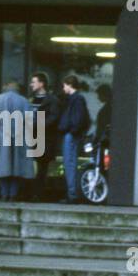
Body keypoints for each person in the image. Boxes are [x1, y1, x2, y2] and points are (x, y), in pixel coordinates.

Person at [0, 80, 36, 201]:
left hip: (1, 136)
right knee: (17, 167)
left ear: (6, 86)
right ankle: (13, 195)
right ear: (17, 88)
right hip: (19, 136)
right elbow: (31, 120)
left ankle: (3, 194)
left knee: (3, 166)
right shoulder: (23, 100)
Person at [57, 75, 91, 203]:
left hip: (71, 135)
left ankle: (72, 194)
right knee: (70, 163)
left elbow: (78, 119)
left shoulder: (76, 99)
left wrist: (71, 131)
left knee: (69, 164)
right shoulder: (77, 98)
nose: (63, 88)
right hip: (72, 134)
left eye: (64, 85)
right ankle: (72, 193)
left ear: (69, 84)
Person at [28, 72, 60, 201]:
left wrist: (38, 125)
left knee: (41, 167)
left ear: (41, 84)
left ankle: (38, 194)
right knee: (32, 166)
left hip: (44, 138)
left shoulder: (52, 100)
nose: (31, 84)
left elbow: (54, 117)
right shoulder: (31, 99)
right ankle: (32, 192)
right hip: (31, 137)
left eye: (34, 82)